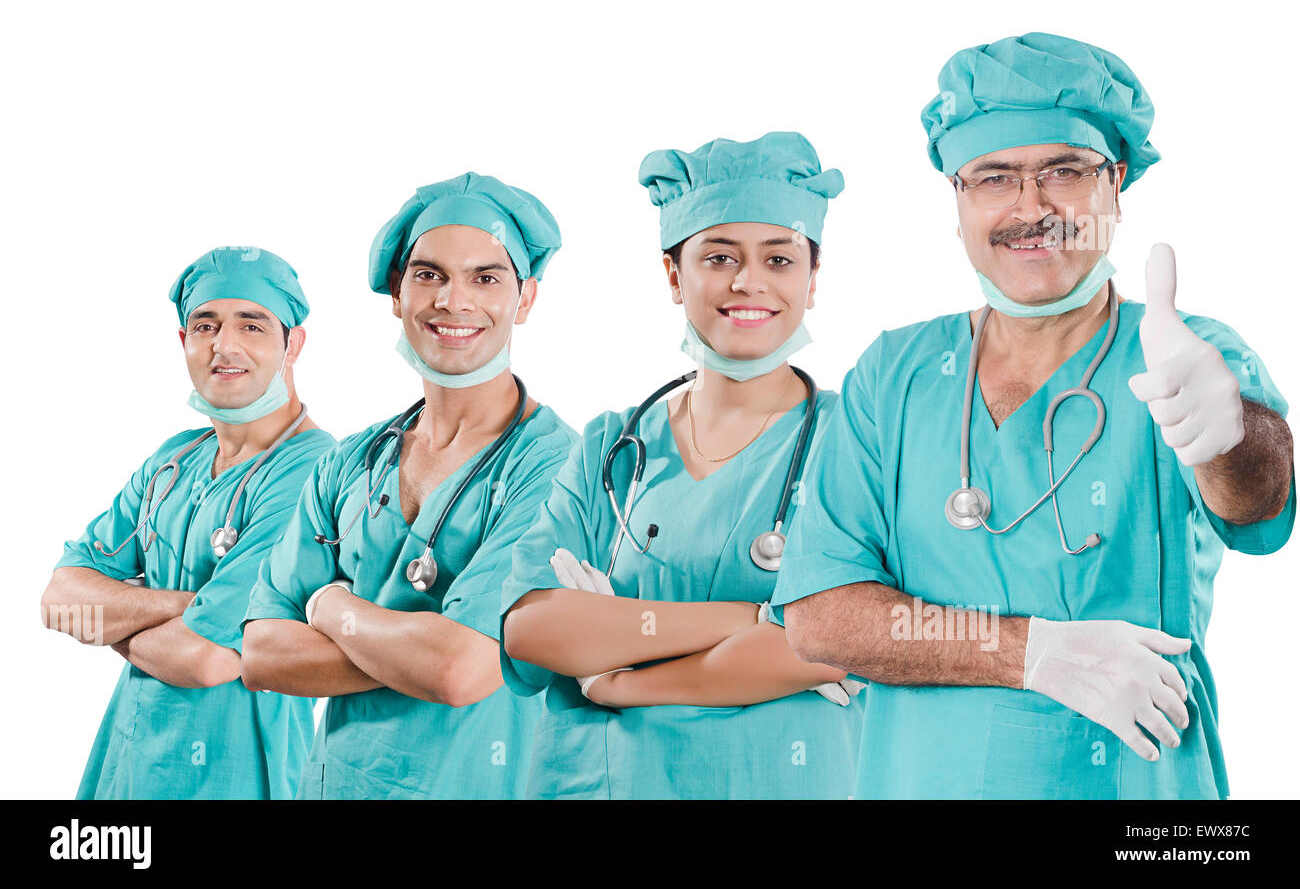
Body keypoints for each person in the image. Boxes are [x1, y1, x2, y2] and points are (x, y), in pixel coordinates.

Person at [777, 33, 1296, 799]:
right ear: (957, 200)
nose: (1031, 208)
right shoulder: (894, 375)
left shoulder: (1186, 355)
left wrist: (1226, 439)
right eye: (994, 177)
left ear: (1115, 185)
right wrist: (1031, 652)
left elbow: (1258, 503)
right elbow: (821, 619)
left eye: (1065, 171)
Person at [501, 132, 865, 799]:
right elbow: (530, 627)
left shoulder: (857, 445)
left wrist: (617, 671)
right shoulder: (610, 448)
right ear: (674, 275)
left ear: (812, 281)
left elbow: (837, 637)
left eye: (779, 258)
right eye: (719, 256)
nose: (748, 281)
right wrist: (756, 620)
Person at [241, 172, 575, 799]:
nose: (454, 300)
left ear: (524, 299)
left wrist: (330, 608)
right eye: (429, 275)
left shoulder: (555, 466)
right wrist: (418, 645)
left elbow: (459, 670)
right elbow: (259, 652)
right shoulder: (353, 460)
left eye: (486, 277)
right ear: (398, 293)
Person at [42, 247, 335, 798]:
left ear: (292, 343)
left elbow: (203, 660)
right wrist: (185, 607)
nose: (225, 346)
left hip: (241, 773)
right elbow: (60, 599)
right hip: (128, 764)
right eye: (206, 325)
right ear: (184, 342)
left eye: (252, 324)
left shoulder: (314, 473)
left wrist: (114, 617)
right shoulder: (176, 461)